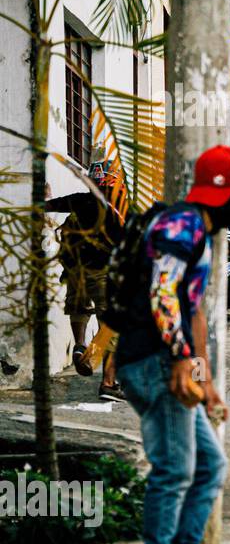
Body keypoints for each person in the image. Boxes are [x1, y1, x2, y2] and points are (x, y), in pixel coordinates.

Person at [114, 145, 230, 544]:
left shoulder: (199, 230)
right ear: (228, 194)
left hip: (165, 359)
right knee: (175, 469)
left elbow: (190, 311)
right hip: (152, 361)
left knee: (209, 466)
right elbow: (162, 294)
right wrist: (178, 361)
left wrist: (204, 376)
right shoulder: (183, 224)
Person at [47, 161, 125, 401]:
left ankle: (80, 345)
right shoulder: (120, 210)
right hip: (104, 275)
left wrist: (45, 198)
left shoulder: (80, 200)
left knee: (80, 309)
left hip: (75, 273)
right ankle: (109, 384)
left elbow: (48, 205)